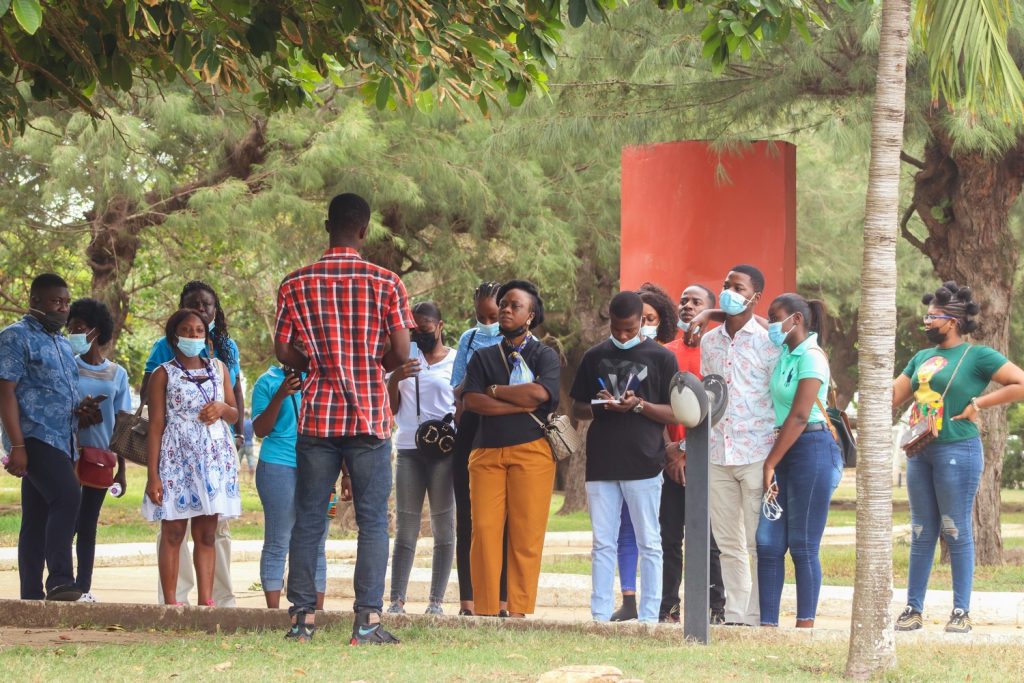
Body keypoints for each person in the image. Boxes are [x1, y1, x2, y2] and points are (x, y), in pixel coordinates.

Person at [275, 192, 414, 644]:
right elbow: (399, 351)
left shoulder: (295, 283)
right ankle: (367, 622)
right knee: (373, 521)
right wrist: (366, 363)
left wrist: (317, 364)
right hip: (369, 418)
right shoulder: (387, 282)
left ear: (326, 225)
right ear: (364, 230)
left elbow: (282, 349)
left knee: (310, 519)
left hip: (317, 417)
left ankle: (302, 621)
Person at [893, 282, 1024, 634]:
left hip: (958, 450)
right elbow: (893, 395)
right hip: (920, 452)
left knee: (955, 529)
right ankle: (912, 609)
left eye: (932, 316)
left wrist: (978, 404)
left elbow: (1021, 383)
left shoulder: (977, 356)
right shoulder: (921, 358)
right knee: (922, 531)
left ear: (951, 321)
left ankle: (961, 611)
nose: (926, 321)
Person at [571, 291, 680, 623]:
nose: (622, 335)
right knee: (603, 543)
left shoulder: (661, 357)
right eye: (617, 329)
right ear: (610, 320)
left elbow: (675, 412)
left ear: (642, 322)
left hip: (645, 462)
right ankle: (599, 616)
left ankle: (649, 618)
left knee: (650, 541)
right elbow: (577, 407)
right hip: (602, 462)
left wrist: (639, 405)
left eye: (630, 329)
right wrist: (601, 405)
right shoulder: (593, 356)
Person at [462, 280, 561, 618]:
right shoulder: (482, 356)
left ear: (530, 316)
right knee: (485, 532)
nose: (505, 309)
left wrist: (495, 391)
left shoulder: (545, 355)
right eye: (503, 303)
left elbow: (539, 395)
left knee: (526, 534)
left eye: (514, 305)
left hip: (532, 452)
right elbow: (472, 401)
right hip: (486, 453)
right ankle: (487, 611)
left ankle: (517, 611)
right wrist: (514, 401)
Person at [0, 274, 101, 601]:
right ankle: (60, 579)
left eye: (65, 302)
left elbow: (60, 393)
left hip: (64, 440)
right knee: (68, 497)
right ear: (35, 302)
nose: (62, 307)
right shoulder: (15, 337)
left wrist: (81, 410)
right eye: (55, 301)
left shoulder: (61, 343)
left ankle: (30, 595)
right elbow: (5, 393)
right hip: (33, 437)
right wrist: (16, 445)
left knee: (37, 516)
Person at [142, 280, 242, 607]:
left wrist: (224, 409)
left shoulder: (220, 368)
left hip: (213, 460)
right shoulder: (163, 373)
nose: (194, 336)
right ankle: (171, 603)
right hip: (175, 458)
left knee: (207, 534)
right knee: (172, 532)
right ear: (175, 336)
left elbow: (234, 411)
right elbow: (155, 425)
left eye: (199, 331)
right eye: (187, 330)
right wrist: (153, 476)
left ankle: (207, 602)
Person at [755, 294, 842, 628]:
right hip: (783, 448)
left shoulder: (813, 357)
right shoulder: (786, 352)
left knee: (803, 544)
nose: (771, 324)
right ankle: (767, 626)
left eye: (775, 318)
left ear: (796, 319)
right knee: (768, 543)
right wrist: (711, 312)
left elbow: (801, 414)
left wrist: (769, 463)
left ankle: (805, 626)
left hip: (811, 449)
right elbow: (753, 320)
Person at [700, 264, 780, 626]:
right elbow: (709, 394)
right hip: (717, 453)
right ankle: (735, 614)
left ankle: (757, 613)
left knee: (756, 541)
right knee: (727, 542)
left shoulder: (767, 341)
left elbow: (778, 395)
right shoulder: (709, 342)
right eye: (726, 284)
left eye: (738, 286)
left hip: (757, 453)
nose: (730, 291)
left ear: (755, 297)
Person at [252, 359, 351, 610]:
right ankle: (273, 613)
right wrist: (281, 394)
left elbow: (337, 430)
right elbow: (260, 429)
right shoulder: (267, 381)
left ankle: (316, 611)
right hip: (278, 465)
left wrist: (346, 473)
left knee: (317, 542)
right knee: (279, 540)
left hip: (319, 466)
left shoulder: (323, 376)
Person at [608, 282, 677, 621]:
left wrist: (674, 449)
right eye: (641, 318)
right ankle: (630, 599)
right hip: (628, 455)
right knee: (625, 529)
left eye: (650, 318)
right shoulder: (615, 356)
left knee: (659, 532)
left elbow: (677, 408)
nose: (644, 324)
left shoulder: (667, 356)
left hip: (666, 454)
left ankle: (664, 603)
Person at [660, 284, 727, 624]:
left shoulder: (715, 354)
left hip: (708, 461)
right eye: (683, 300)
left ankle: (716, 608)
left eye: (695, 302)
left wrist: (686, 450)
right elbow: (657, 405)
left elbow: (720, 410)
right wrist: (669, 450)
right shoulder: (664, 353)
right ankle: (668, 607)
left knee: (710, 540)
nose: (686, 306)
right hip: (669, 463)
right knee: (669, 538)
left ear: (710, 312)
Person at [386, 302, 457, 616]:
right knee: (406, 528)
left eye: (425, 326)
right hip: (409, 449)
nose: (419, 333)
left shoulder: (456, 361)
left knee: (444, 527)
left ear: (440, 326)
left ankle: (436, 602)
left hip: (444, 452)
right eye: (413, 328)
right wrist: (395, 378)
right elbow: (389, 409)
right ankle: (396, 601)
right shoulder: (403, 358)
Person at [450, 281, 509, 616]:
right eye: (482, 316)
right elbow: (458, 389)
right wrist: (477, 381)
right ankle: (468, 602)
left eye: (495, 316)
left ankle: (502, 601)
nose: (489, 323)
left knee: (501, 521)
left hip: (503, 430)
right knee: (467, 519)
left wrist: (488, 389)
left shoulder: (516, 341)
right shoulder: (468, 339)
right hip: (470, 429)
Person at [67, 298, 133, 602]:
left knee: (88, 523)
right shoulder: (68, 365)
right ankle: (62, 581)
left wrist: (122, 469)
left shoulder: (117, 374)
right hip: (67, 454)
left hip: (100, 457)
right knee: (66, 520)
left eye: (80, 328)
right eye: (71, 327)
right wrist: (77, 412)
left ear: (96, 331)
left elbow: (121, 424)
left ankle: (84, 586)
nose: (74, 333)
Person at [240, 412, 256, 481]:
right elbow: (253, 433)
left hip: (241, 443)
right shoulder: (251, 423)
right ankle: (251, 478)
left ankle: (237, 476)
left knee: (237, 460)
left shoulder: (242, 423)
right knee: (251, 460)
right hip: (249, 443)